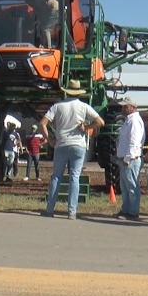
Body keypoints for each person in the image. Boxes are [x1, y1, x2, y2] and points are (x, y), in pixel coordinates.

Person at [40, 79, 104, 220]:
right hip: (78, 144)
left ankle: (50, 209)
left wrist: (50, 139)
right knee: (74, 177)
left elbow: (43, 123)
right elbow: (100, 122)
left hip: (61, 143)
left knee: (56, 176)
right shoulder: (83, 106)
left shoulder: (57, 106)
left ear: (66, 91)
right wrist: (86, 128)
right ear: (79, 93)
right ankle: (72, 211)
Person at [115, 97, 144, 221]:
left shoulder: (134, 121)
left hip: (130, 159)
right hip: (125, 158)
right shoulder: (129, 120)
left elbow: (134, 141)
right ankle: (126, 209)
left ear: (132, 107)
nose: (123, 109)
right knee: (125, 186)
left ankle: (133, 211)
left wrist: (128, 157)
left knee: (131, 185)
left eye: (125, 106)